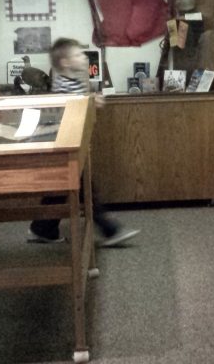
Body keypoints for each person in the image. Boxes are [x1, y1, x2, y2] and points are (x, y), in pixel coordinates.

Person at [27, 38, 141, 247]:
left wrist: (90, 97)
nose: (84, 57)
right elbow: (73, 104)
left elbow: (80, 97)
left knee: (61, 189)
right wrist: (91, 101)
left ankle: (42, 227)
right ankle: (110, 230)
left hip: (71, 144)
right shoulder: (63, 82)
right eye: (78, 55)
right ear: (65, 63)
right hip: (64, 145)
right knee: (84, 189)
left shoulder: (72, 79)